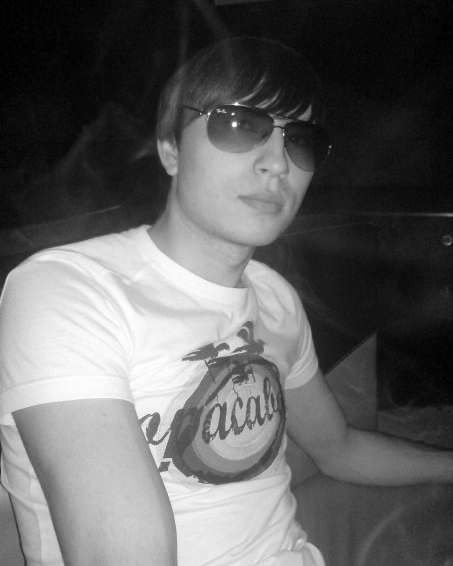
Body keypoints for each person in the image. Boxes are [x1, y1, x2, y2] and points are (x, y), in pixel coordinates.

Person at [0, 36, 452, 566]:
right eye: (239, 125)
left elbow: (339, 449)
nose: (277, 163)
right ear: (170, 150)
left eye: (300, 140)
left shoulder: (274, 297)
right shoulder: (70, 289)